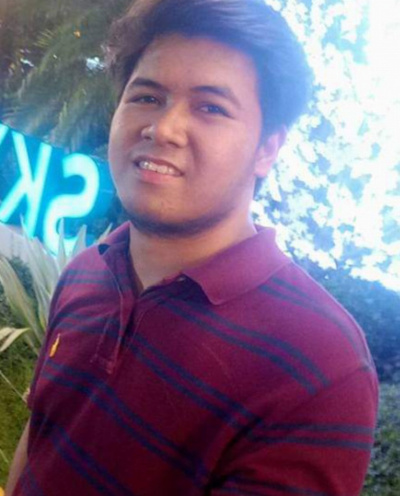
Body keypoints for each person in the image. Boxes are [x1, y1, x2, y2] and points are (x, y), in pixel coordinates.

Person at [6, 0, 378, 495]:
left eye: (210, 107)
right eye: (147, 97)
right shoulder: (86, 271)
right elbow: (41, 431)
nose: (162, 128)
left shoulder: (321, 364)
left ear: (267, 148)